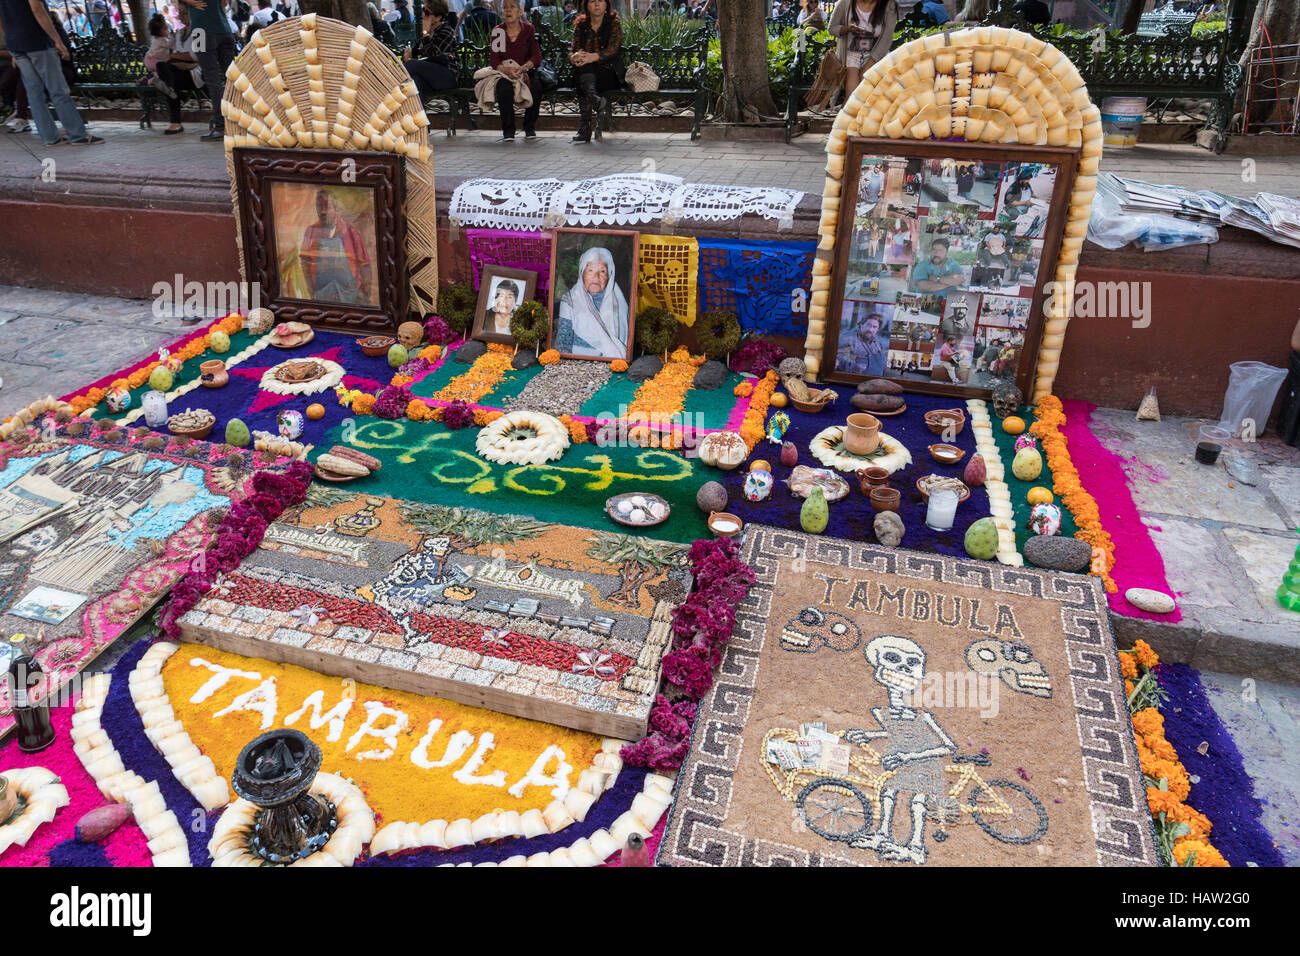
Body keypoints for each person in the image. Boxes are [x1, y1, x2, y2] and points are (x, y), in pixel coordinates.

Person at [0, 0, 103, 145]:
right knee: (58, 90)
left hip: (15, 43)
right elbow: (37, 9)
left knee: (34, 93)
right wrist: (57, 40)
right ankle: (77, 135)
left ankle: (50, 138)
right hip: (37, 41)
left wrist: (11, 38)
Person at [299, 190, 372, 304]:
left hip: (350, 296)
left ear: (336, 210)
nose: (322, 211)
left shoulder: (351, 233)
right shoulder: (311, 231)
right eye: (319, 207)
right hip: (322, 296)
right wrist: (311, 290)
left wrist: (365, 294)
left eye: (327, 207)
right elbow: (305, 262)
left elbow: (365, 265)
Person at [555, 246, 629, 357]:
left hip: (611, 360)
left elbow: (623, 342)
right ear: (582, 273)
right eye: (590, 270)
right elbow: (563, 342)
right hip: (575, 359)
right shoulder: (570, 300)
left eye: (602, 271)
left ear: (609, 275)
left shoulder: (618, 302)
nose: (596, 276)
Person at [177, 0, 234, 141]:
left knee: (212, 80)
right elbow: (225, 3)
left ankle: (220, 126)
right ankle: (238, 122)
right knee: (232, 78)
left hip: (200, 30)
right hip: (224, 29)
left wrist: (190, 2)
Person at [568, 0, 621, 144]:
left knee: (582, 74)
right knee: (583, 69)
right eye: (592, 1)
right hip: (586, 72)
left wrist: (593, 57)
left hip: (607, 72)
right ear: (586, 5)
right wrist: (574, 57)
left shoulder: (613, 23)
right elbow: (574, 50)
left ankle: (585, 128)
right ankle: (596, 101)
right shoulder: (581, 25)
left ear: (606, 5)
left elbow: (614, 49)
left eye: (600, 1)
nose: (597, 4)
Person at [489, 0, 541, 141]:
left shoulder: (528, 30)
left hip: (524, 71)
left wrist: (523, 68)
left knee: (536, 86)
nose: (508, 10)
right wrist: (506, 70)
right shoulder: (499, 31)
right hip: (505, 73)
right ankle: (508, 130)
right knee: (503, 87)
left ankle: (529, 127)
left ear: (520, 11)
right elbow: (494, 60)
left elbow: (536, 56)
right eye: (505, 7)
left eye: (512, 7)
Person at [828, 0, 896, 103]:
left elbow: (887, 38)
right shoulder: (845, 3)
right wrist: (847, 29)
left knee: (869, 95)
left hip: (876, 54)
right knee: (852, 98)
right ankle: (848, 110)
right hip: (850, 53)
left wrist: (869, 64)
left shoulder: (889, 5)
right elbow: (831, 28)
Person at [404, 0, 459, 104]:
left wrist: (425, 34)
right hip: (431, 77)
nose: (423, 15)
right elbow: (416, 52)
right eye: (423, 10)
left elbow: (433, 53)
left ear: (438, 17)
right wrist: (409, 53)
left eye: (427, 13)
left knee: (411, 64)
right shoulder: (429, 32)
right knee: (415, 82)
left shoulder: (446, 31)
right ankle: (419, 113)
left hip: (446, 76)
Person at [838, 311, 887, 377]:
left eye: (874, 327)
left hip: (877, 381)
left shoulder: (878, 344)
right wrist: (854, 366)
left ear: (877, 329)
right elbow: (840, 358)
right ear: (861, 325)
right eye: (868, 325)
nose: (870, 329)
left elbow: (883, 364)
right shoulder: (851, 341)